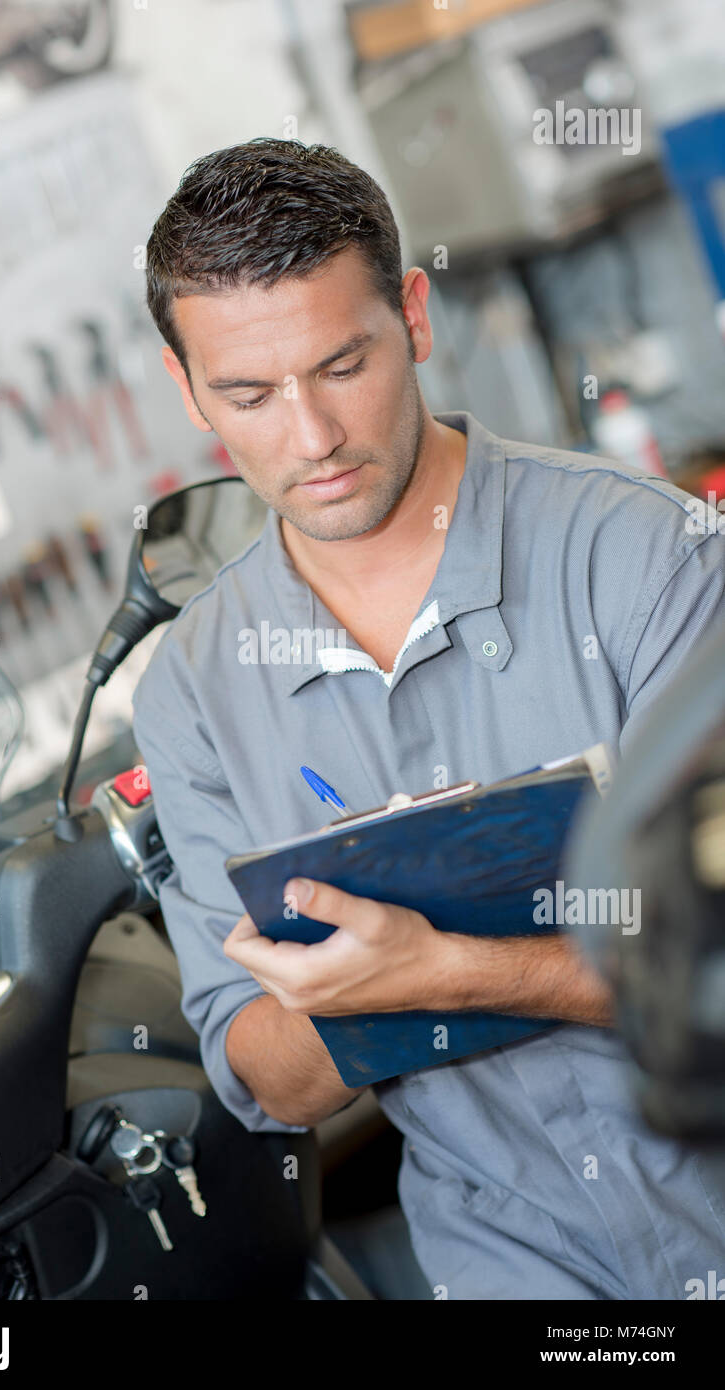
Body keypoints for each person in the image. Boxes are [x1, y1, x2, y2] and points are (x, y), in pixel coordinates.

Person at [131, 137, 725, 1299]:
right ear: (187, 387)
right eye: (249, 394)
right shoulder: (195, 692)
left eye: (342, 365)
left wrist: (444, 969)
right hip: (517, 1267)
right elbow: (264, 1078)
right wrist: (351, 998)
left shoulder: (648, 559)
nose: (311, 439)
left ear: (413, 314)